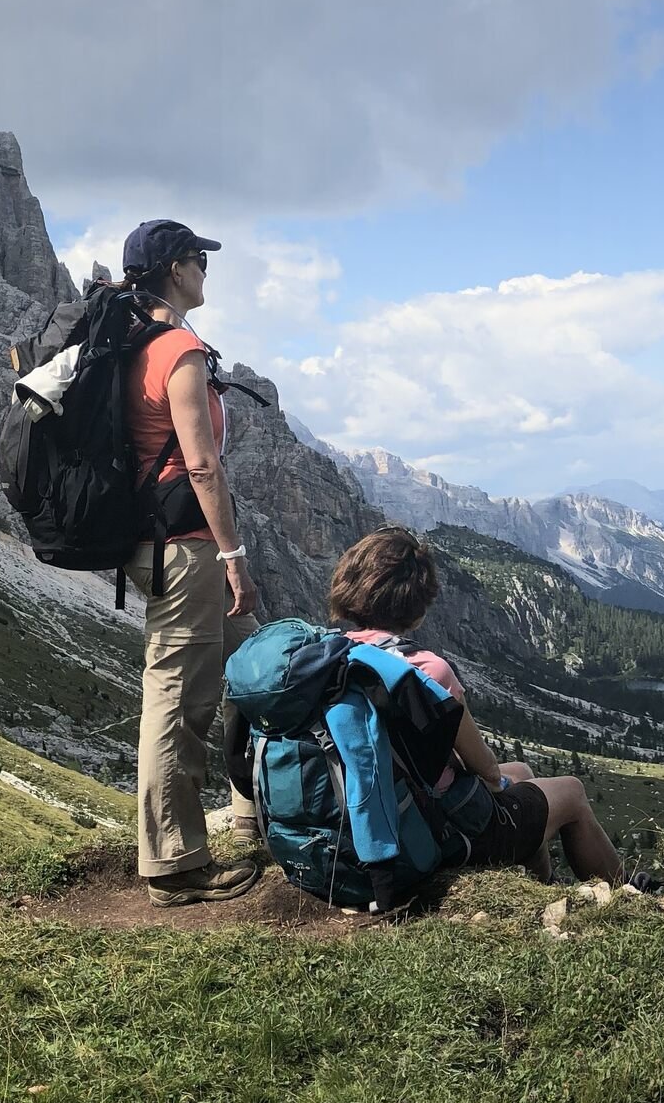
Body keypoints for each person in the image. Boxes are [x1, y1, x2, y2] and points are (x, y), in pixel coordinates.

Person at [325, 526, 628, 885]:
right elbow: (483, 766)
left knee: (524, 772)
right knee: (573, 792)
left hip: (365, 817)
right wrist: (498, 786)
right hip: (435, 829)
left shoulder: (333, 657)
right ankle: (624, 893)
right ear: (417, 604)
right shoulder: (423, 670)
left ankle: (539, 888)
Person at [119, 217, 263, 907]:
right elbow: (202, 466)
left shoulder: (132, 341)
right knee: (177, 698)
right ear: (176, 268)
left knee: (256, 668)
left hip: (156, 545)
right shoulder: (176, 347)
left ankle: (250, 816)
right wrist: (233, 555)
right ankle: (172, 863)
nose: (206, 269)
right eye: (200, 259)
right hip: (188, 549)